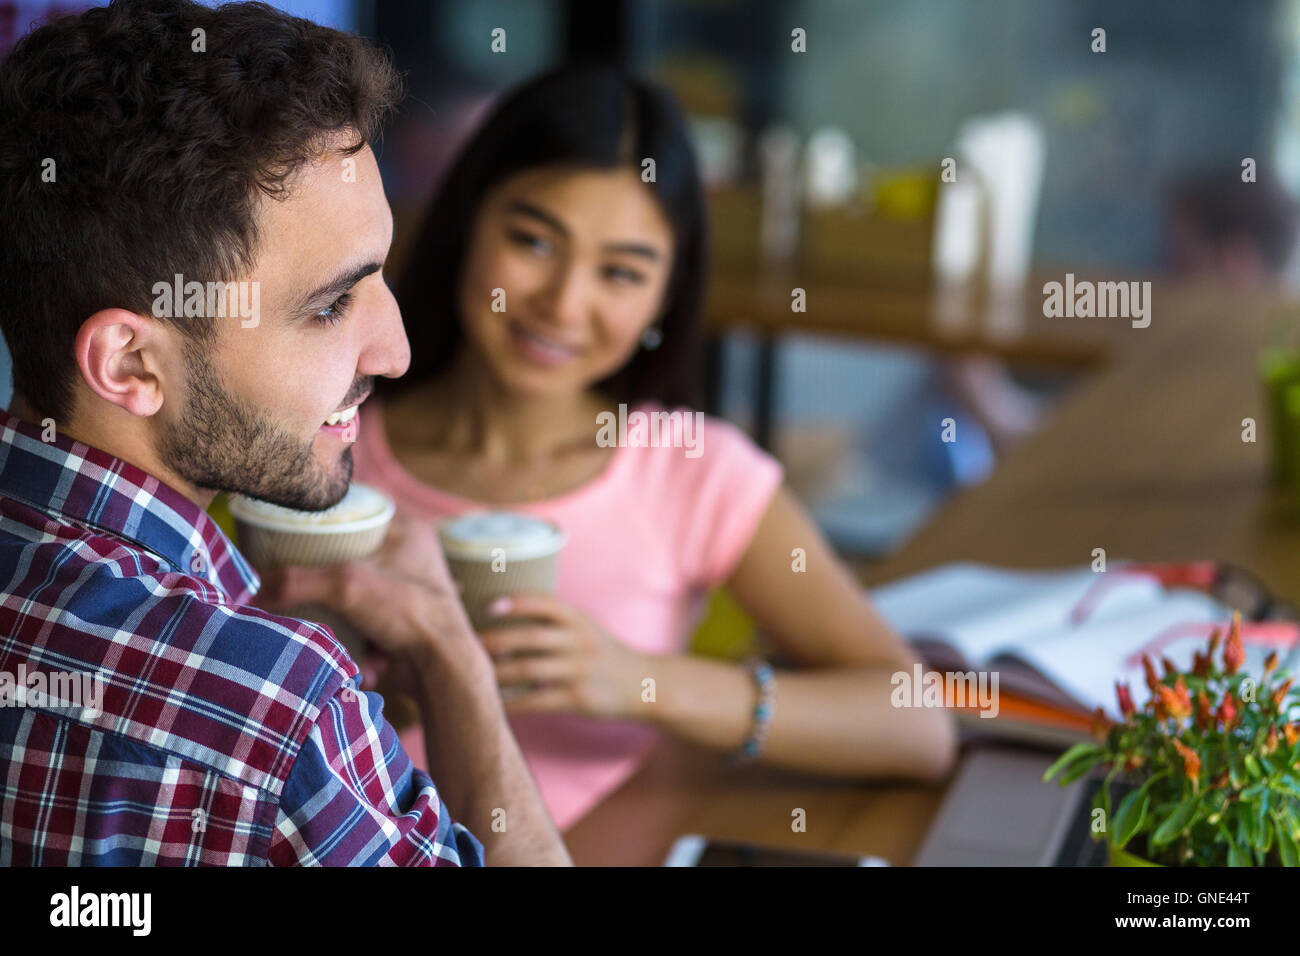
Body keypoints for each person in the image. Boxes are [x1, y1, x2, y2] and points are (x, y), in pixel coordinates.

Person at [0, 0, 568, 866]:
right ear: (130, 364)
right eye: (331, 304)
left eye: (379, 276)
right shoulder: (286, 704)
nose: (398, 351)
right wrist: (457, 664)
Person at [316, 66, 959, 831]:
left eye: (621, 272)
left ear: (665, 295)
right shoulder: (326, 436)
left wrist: (641, 682)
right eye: (532, 240)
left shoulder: (692, 469)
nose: (564, 302)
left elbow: (916, 724)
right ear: (466, 223)